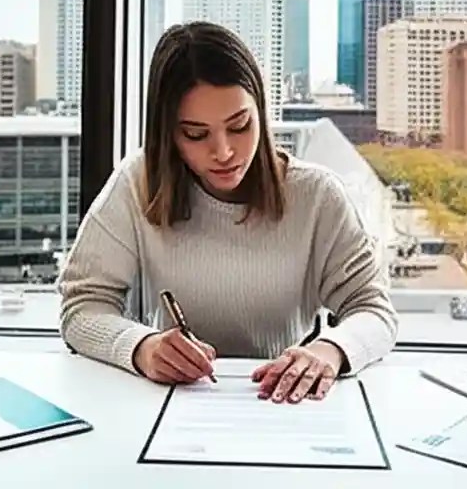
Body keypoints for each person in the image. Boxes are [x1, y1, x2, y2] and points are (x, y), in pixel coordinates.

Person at [58, 21, 397, 404]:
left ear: (261, 112)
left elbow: (374, 311)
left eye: (239, 126)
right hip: (168, 406)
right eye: (196, 134)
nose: (223, 152)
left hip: (286, 405)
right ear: (167, 133)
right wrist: (141, 347)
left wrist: (329, 351)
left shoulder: (318, 195)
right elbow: (81, 307)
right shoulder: (138, 183)